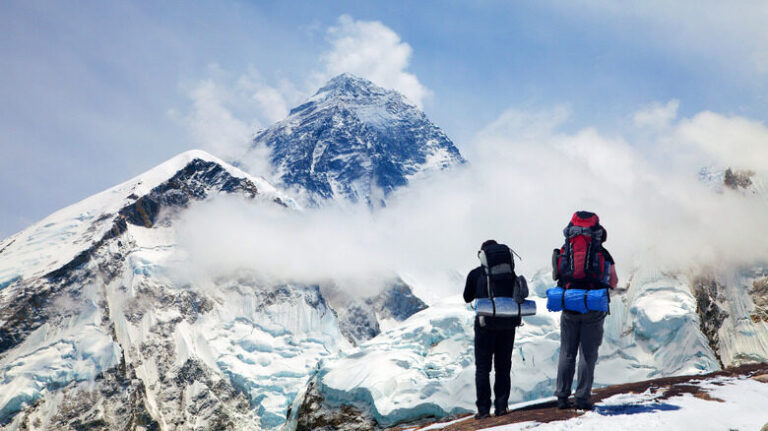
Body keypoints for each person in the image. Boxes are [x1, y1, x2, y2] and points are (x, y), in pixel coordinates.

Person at [551, 211, 618, 410]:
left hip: (569, 304)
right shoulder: (603, 253)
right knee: (587, 354)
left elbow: (557, 275)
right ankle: (581, 398)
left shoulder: (565, 250)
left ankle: (562, 397)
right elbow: (613, 281)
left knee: (567, 352)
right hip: (593, 306)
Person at [463, 240, 522, 419]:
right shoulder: (510, 273)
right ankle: (501, 407)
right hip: (507, 324)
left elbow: (467, 297)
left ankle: (483, 410)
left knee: (483, 368)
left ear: (483, 255)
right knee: (503, 367)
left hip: (485, 325)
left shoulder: (476, 274)